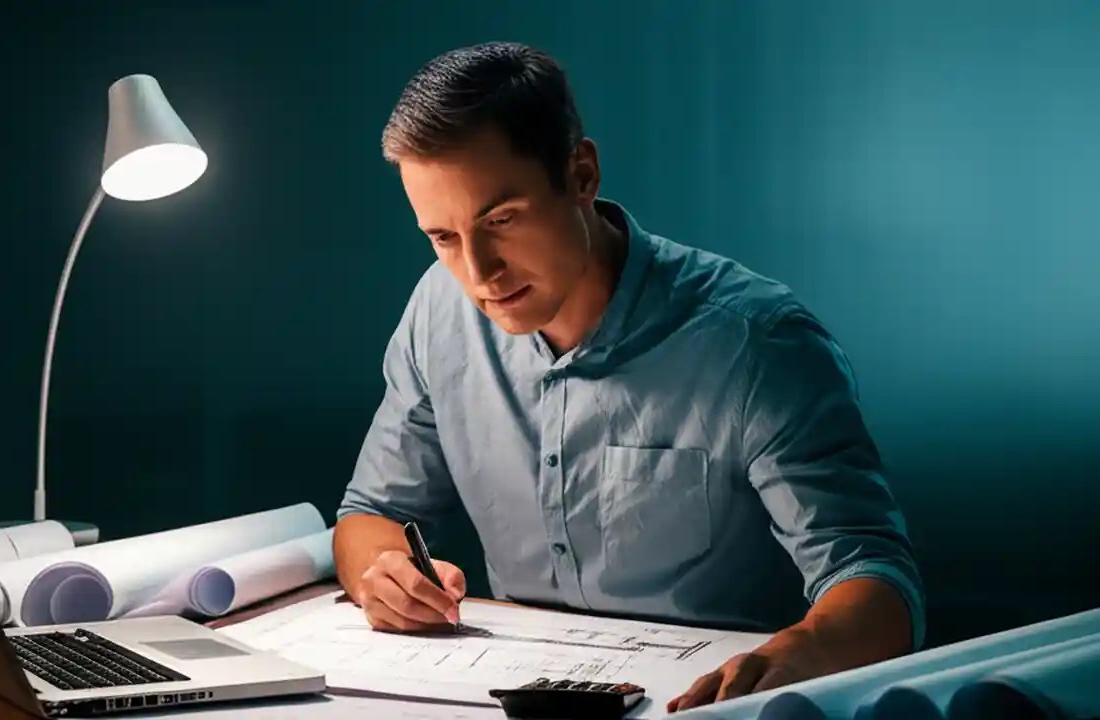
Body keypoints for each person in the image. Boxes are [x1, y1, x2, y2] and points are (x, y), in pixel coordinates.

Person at [332, 41, 924, 711]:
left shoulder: (758, 343)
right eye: (443, 237)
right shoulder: (438, 313)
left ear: (582, 174)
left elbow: (876, 586)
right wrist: (382, 574)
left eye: (502, 220)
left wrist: (803, 652)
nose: (478, 272)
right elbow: (370, 515)